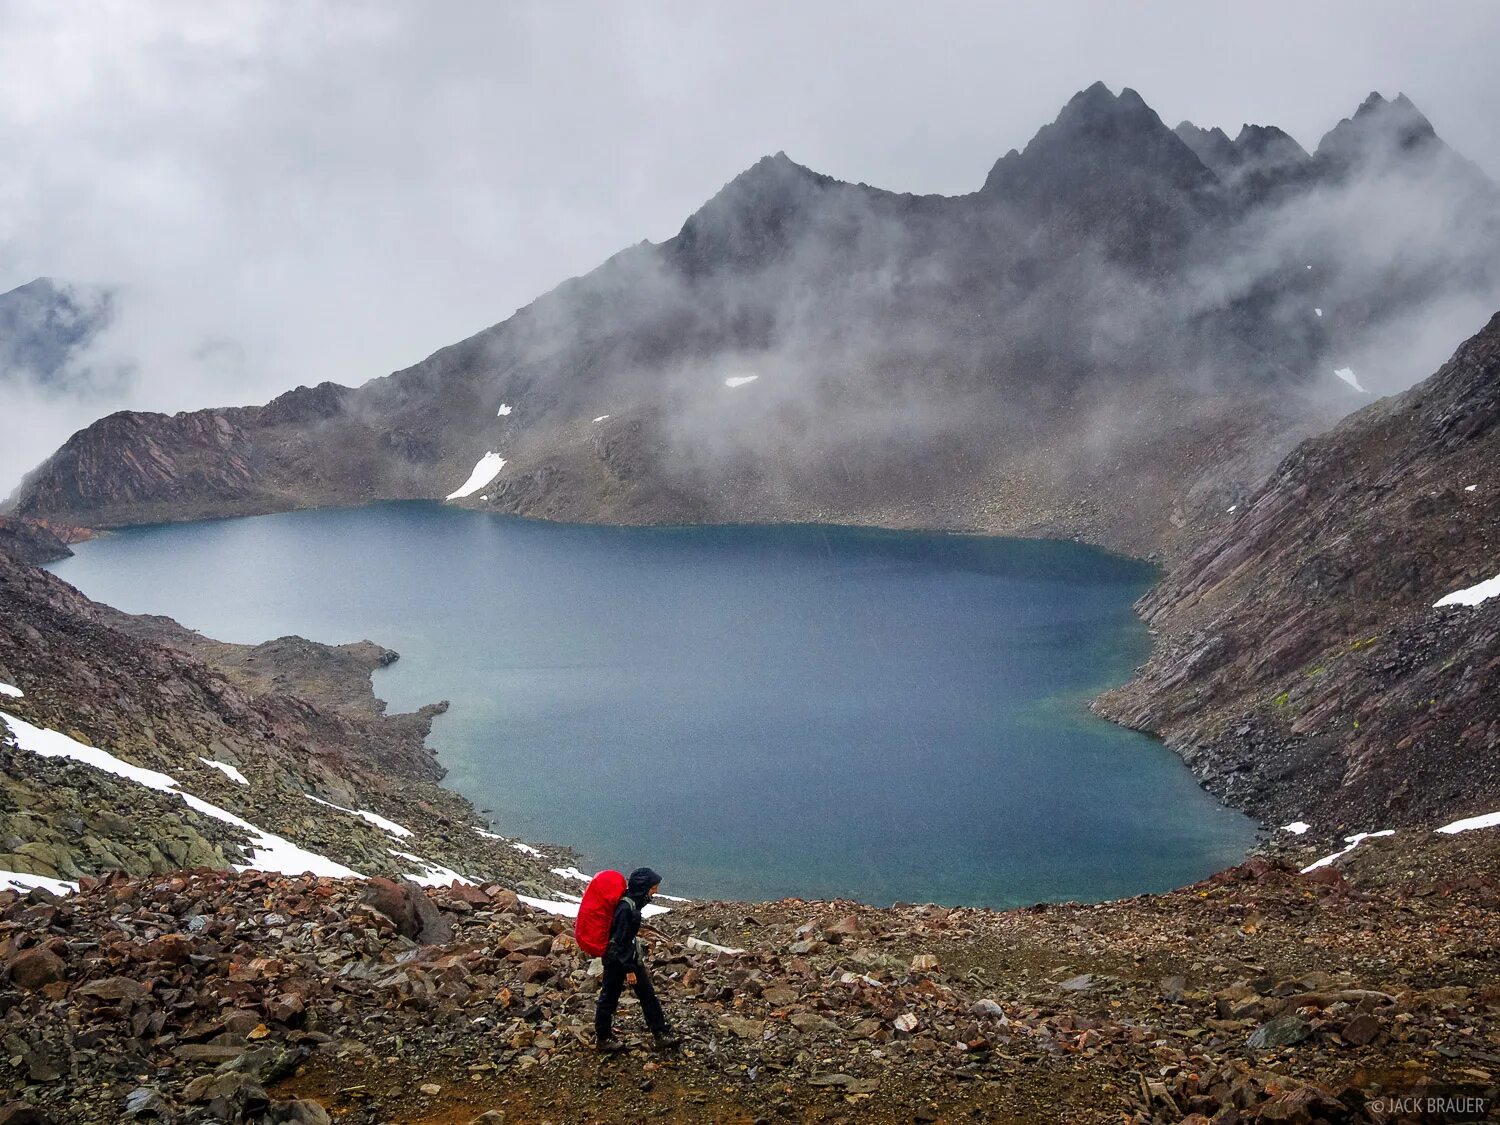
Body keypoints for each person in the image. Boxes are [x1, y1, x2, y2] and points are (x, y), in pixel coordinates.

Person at [595, 866, 679, 1051]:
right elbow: (621, 940)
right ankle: (603, 1038)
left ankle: (660, 1032)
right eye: (653, 887)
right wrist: (629, 969)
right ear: (644, 887)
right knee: (610, 997)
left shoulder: (632, 904)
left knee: (645, 995)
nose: (655, 891)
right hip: (619, 960)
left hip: (626, 958)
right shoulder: (627, 908)